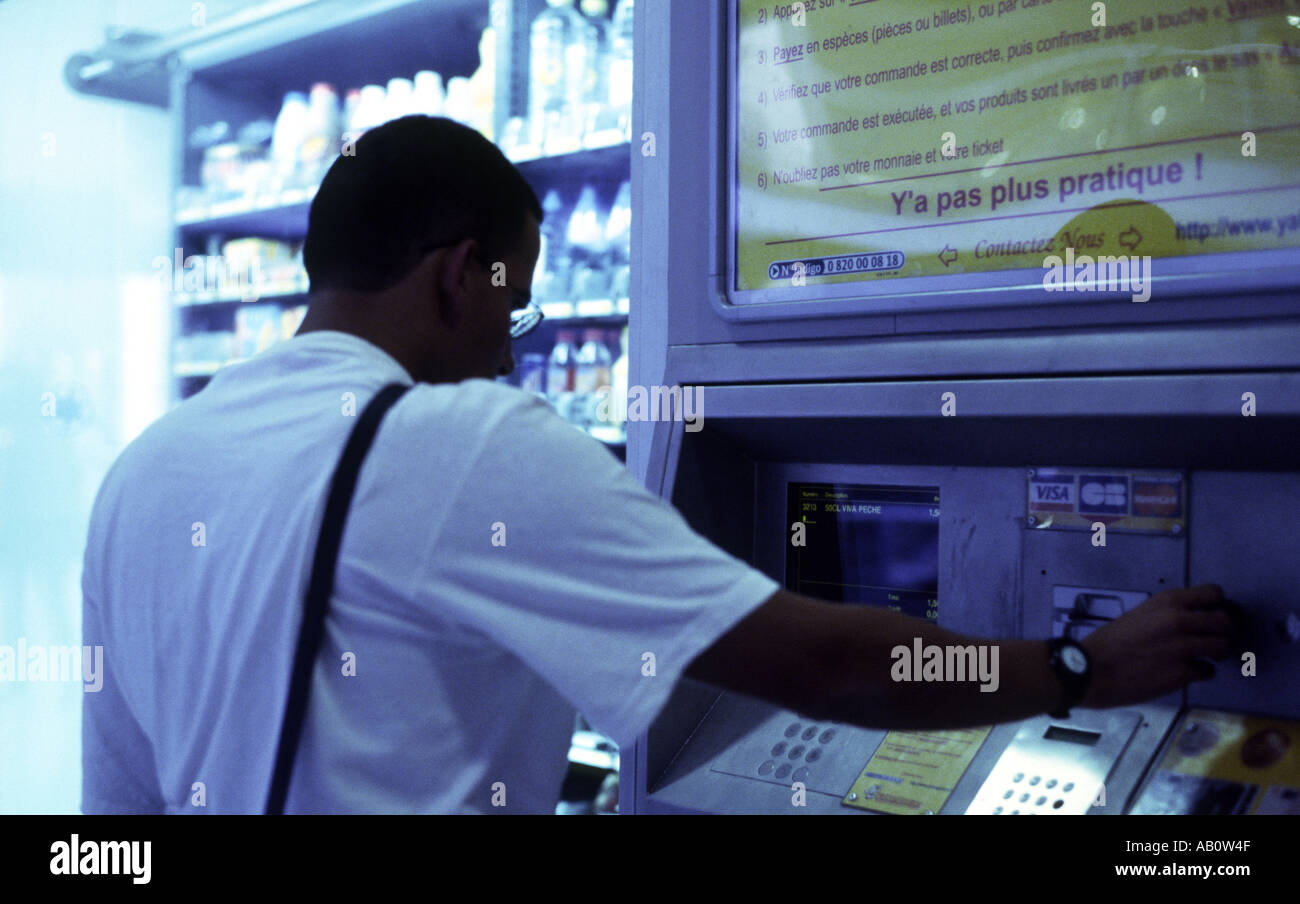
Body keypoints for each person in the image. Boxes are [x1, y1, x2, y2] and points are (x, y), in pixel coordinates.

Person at [81, 116, 1236, 814]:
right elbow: (826, 669)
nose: (508, 347)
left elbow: (118, 812)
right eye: (515, 309)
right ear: (459, 275)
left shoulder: (145, 475)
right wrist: (1083, 664)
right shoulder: (455, 445)